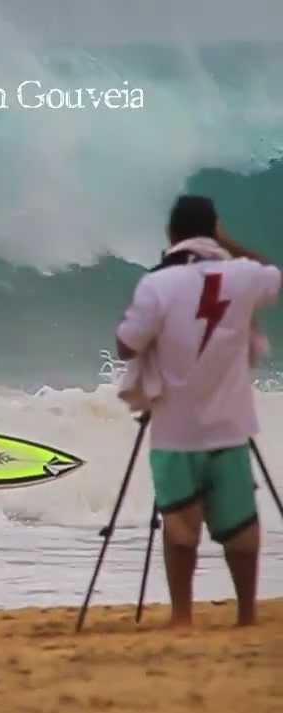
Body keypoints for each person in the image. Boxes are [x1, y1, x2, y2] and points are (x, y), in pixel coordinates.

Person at [115, 195, 280, 628]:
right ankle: (246, 616)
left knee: (180, 526)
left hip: (174, 429)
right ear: (213, 231)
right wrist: (229, 243)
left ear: (171, 236)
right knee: (242, 527)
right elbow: (274, 276)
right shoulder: (243, 276)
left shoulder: (158, 285)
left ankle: (183, 617)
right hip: (230, 426)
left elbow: (127, 344)